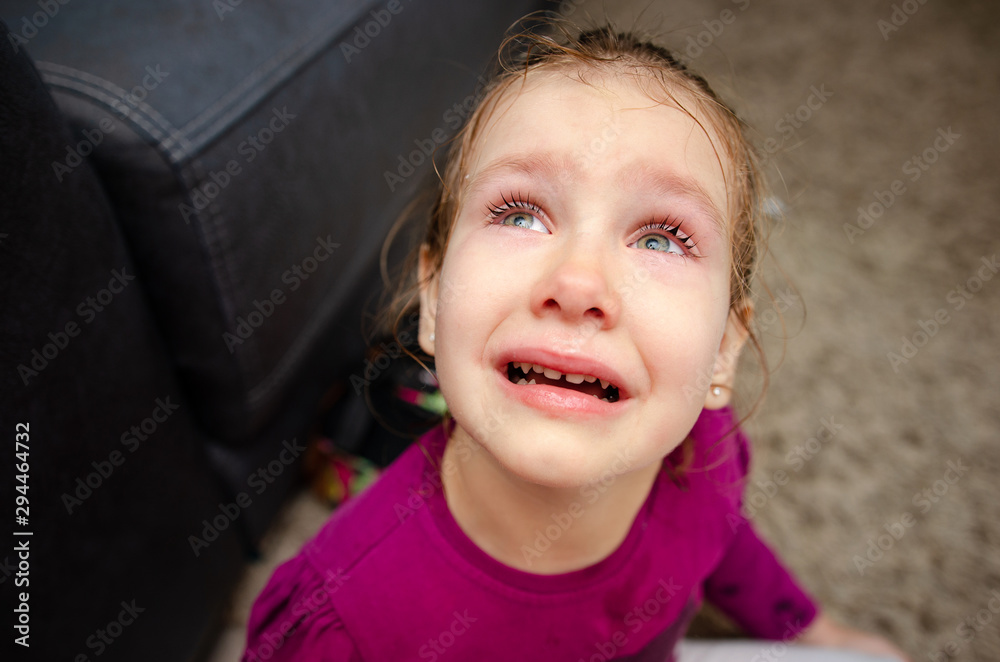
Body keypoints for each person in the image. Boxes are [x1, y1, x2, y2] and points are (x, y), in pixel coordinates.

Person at [242, 20, 911, 662]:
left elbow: (721, 535)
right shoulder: (336, 628)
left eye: (660, 238)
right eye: (521, 214)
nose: (578, 280)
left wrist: (814, 630)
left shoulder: (707, 452)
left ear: (722, 353)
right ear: (435, 299)